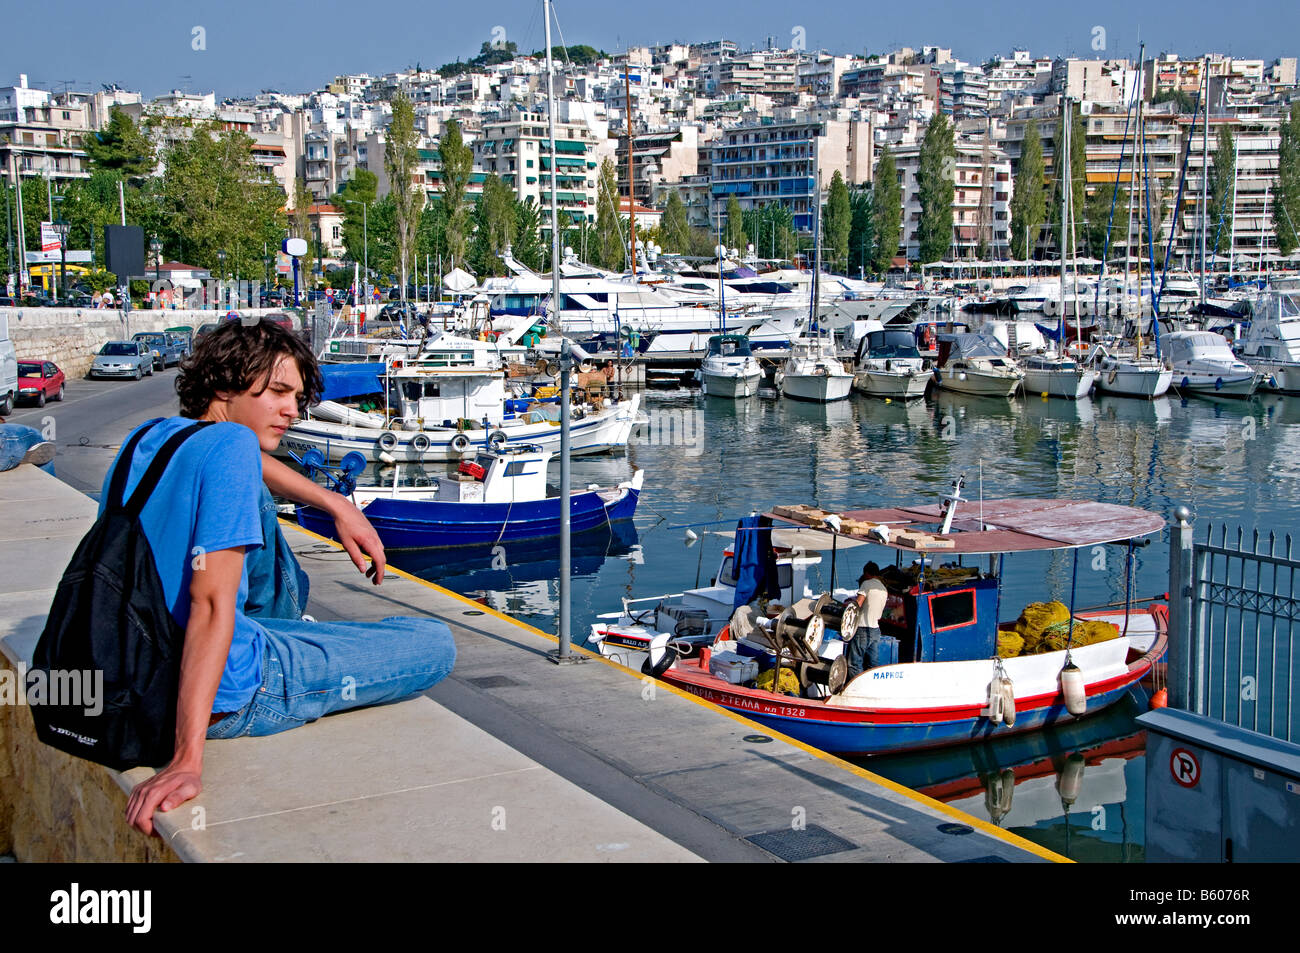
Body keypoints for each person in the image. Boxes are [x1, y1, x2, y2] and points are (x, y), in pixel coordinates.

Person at [118, 320, 455, 835]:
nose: (292, 410)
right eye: (277, 392)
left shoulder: (149, 438)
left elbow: (244, 460)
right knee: (433, 640)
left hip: (140, 671)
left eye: (296, 397)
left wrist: (333, 501)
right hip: (240, 690)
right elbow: (210, 605)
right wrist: (187, 759)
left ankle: (283, 631)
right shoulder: (231, 449)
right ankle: (284, 641)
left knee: (256, 496)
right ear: (224, 385)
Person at [845, 561, 888, 682]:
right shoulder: (883, 588)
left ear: (866, 573)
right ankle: (870, 686)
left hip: (863, 628)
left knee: (854, 663)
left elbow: (858, 604)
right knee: (872, 664)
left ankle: (855, 688)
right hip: (875, 630)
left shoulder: (866, 583)